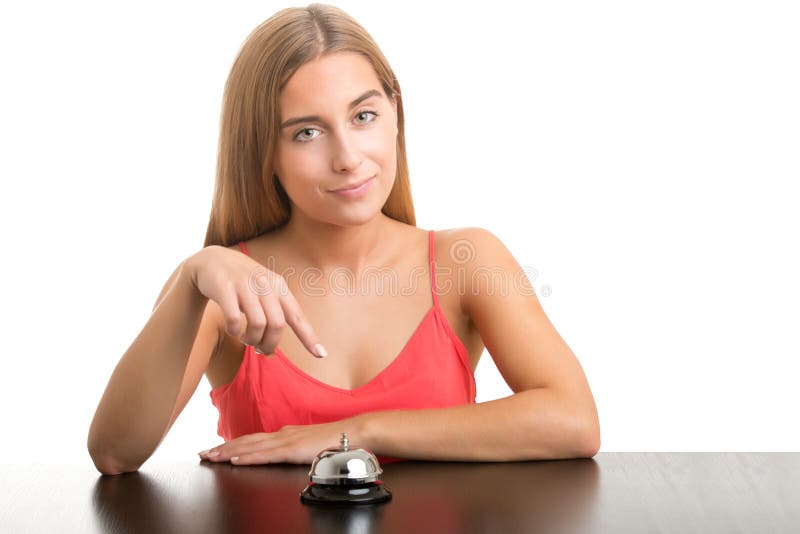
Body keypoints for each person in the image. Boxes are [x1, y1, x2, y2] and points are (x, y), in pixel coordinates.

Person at [87, 3, 600, 476]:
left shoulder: (464, 261)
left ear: (395, 114)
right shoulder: (225, 291)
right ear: (264, 153)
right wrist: (192, 277)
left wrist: (357, 434)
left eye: (363, 116)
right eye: (306, 132)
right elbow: (114, 452)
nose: (348, 157)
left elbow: (573, 420)